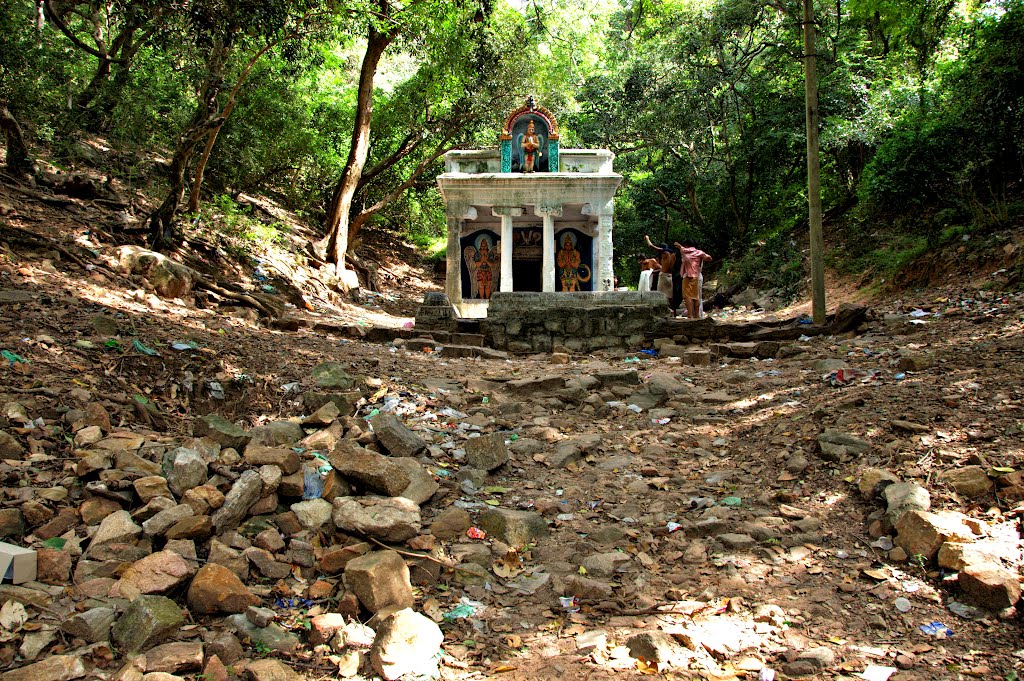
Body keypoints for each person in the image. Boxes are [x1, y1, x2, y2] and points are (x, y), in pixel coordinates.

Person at [644, 234, 681, 316]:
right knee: (670, 296)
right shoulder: (673, 255)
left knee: (661, 295)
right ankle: (672, 312)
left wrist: (647, 239)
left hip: (664, 276)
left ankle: (665, 312)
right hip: (670, 276)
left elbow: (651, 246)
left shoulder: (665, 253)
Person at [674, 240, 712, 319]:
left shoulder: (685, 251)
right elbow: (709, 258)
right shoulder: (699, 252)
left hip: (687, 275)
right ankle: (697, 315)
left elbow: (684, 250)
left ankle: (690, 315)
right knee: (695, 296)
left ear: (687, 245)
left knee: (687, 297)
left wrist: (680, 246)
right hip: (696, 276)